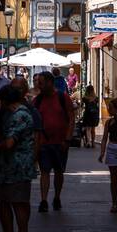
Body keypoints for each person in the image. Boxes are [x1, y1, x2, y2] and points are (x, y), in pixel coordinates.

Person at [0, 87, 36, 232]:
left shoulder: (19, 115)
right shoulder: (15, 114)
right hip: (9, 167)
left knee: (18, 203)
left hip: (18, 166)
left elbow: (9, 143)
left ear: (7, 100)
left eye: (2, 100)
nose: (1, 104)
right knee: (5, 202)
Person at [34, 71, 75, 212]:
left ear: (50, 83)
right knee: (44, 171)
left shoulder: (63, 98)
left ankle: (57, 197)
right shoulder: (37, 100)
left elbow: (71, 119)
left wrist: (68, 138)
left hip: (60, 142)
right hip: (44, 142)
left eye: (41, 82)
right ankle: (44, 200)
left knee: (59, 171)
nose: (38, 85)